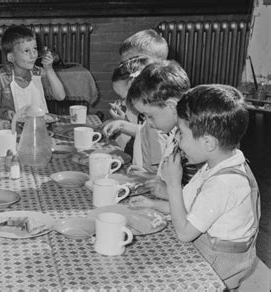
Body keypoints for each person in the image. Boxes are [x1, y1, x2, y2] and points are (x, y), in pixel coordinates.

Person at [161, 84, 260, 290]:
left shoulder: (225, 183)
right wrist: (152, 204)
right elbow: (188, 206)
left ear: (208, 143)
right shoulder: (218, 162)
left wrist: (172, 184)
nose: (178, 140)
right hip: (206, 251)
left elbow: (185, 233)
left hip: (217, 268)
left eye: (182, 133)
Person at [125, 60, 191, 199]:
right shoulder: (175, 131)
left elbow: (205, 197)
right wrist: (153, 178)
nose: (148, 123)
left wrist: (168, 191)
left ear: (172, 106)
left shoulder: (194, 143)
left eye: (150, 116)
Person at [0, 25, 66, 120]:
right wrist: (4, 113)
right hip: (12, 128)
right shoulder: (2, 78)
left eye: (34, 49)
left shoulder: (39, 73)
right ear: (11, 57)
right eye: (26, 51)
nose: (33, 55)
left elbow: (60, 96)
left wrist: (49, 69)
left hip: (40, 126)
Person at [101, 55, 159, 161]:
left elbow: (150, 133)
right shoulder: (141, 110)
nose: (123, 101)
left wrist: (122, 125)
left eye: (125, 97)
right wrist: (122, 120)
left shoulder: (156, 112)